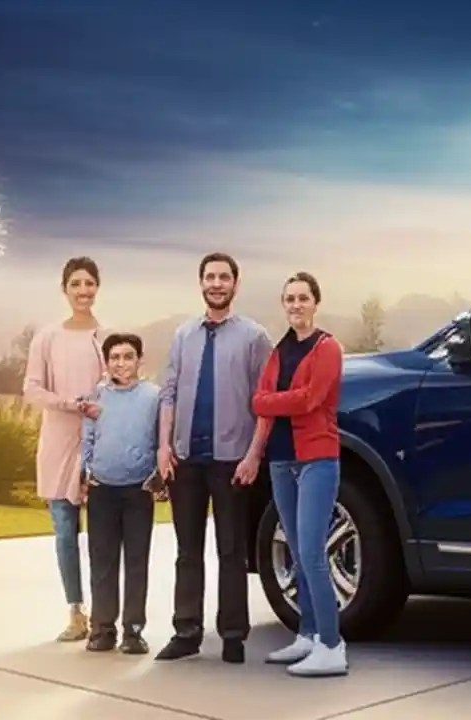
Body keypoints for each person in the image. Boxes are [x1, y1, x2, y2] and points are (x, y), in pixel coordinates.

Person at [155, 252, 274, 664]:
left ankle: (233, 636)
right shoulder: (183, 335)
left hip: (232, 461)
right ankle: (186, 632)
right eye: (210, 277)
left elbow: (266, 403)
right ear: (201, 283)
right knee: (187, 551)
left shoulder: (255, 337)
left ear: (235, 285)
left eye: (224, 277)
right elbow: (168, 392)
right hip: (186, 459)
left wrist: (254, 455)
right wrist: (163, 447)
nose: (217, 283)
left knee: (231, 551)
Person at [252, 271, 347, 677]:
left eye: (303, 298)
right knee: (295, 551)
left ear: (315, 302)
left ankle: (332, 644)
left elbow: (311, 400)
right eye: (289, 299)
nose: (295, 305)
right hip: (281, 460)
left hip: (317, 460)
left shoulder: (328, 348)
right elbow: (258, 401)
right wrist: (270, 403)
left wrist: (270, 402)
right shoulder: (279, 352)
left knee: (312, 552)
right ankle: (307, 635)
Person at [23, 256, 106, 643]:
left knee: (103, 534)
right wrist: (69, 404)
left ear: (97, 288)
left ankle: (106, 615)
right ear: (65, 289)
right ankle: (76, 612)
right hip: (57, 442)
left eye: (89, 283)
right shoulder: (47, 337)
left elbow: (118, 385)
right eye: (76, 284)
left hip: (98, 442)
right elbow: (32, 389)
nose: (83, 291)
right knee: (64, 532)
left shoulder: (107, 337)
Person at [79, 332, 161, 655]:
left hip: (138, 489)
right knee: (102, 560)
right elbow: (87, 438)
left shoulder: (153, 397)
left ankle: (133, 630)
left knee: (137, 561)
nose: (121, 364)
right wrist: (85, 474)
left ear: (140, 360)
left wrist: (157, 476)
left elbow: (160, 437)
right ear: (106, 362)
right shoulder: (96, 397)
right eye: (114, 358)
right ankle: (102, 628)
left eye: (128, 357)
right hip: (102, 488)